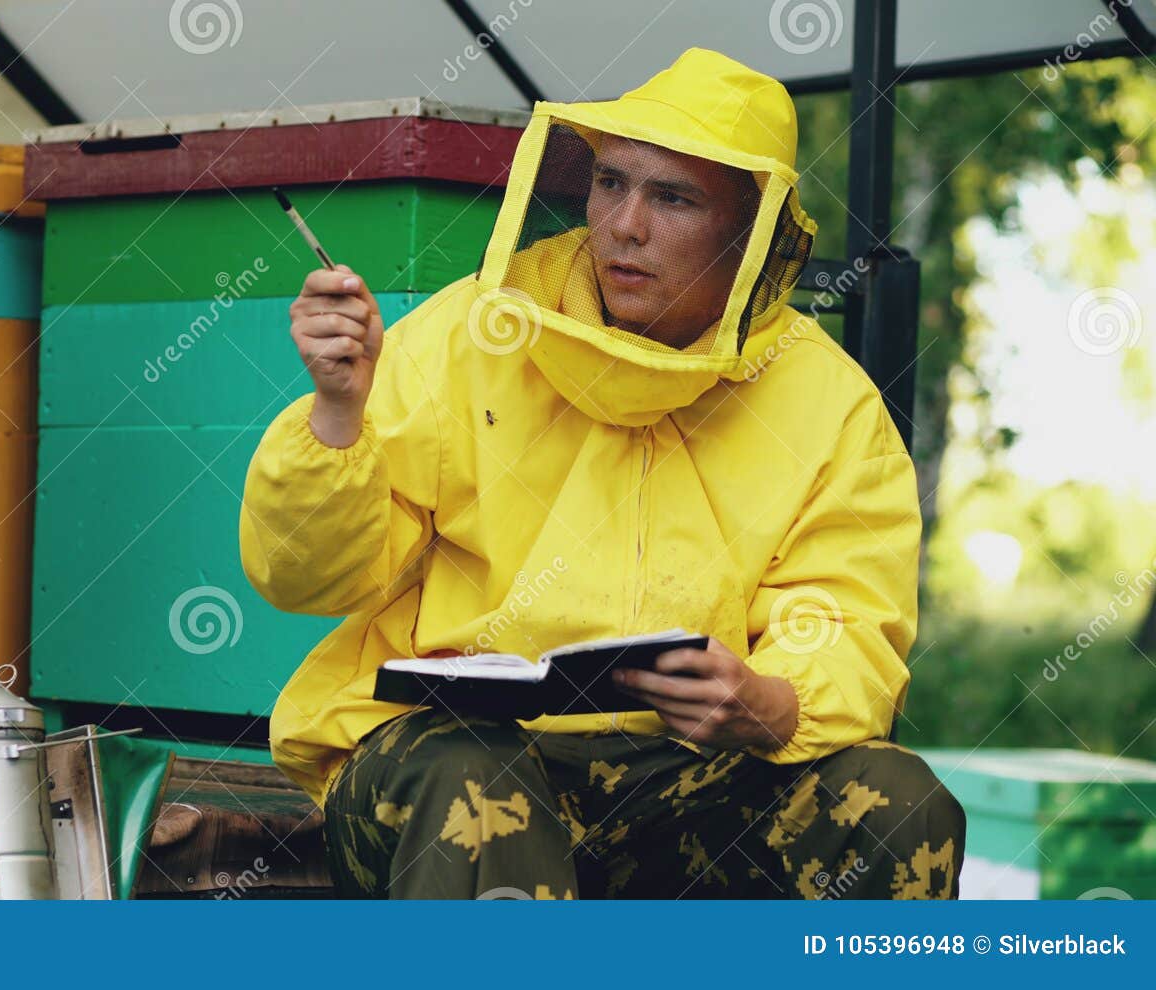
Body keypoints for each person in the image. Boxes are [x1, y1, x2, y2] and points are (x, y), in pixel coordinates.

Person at [239, 47, 964, 899]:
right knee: (478, 784)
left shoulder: (828, 400)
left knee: (900, 803)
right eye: (612, 183)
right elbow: (305, 579)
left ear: (752, 231)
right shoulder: (470, 335)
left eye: (673, 197)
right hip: (450, 765)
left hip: (693, 781)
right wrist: (337, 418)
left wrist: (778, 701)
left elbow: (844, 614)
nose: (624, 224)